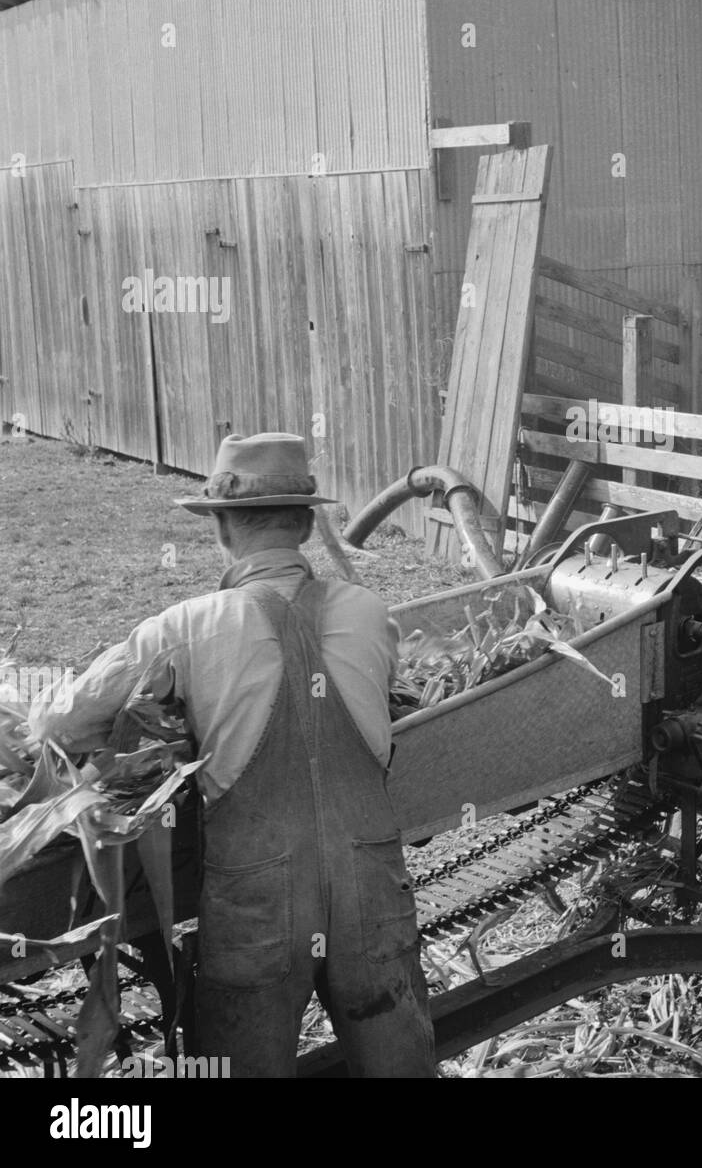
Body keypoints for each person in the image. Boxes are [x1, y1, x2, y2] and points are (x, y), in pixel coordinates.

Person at [31, 432, 436, 1078]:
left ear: (220, 528)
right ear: (305, 521)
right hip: (372, 901)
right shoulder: (369, 614)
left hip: (256, 908)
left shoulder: (185, 628)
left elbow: (60, 721)